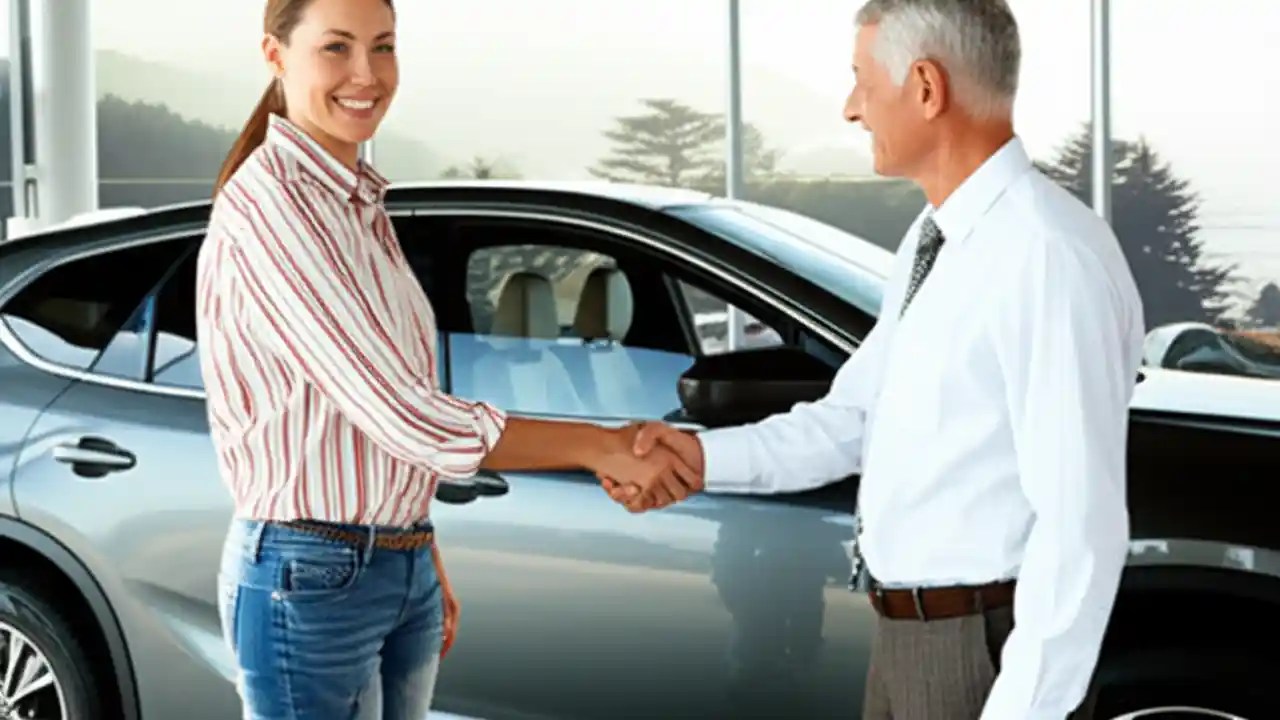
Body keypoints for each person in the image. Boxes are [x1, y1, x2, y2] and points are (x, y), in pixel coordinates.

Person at [605, 0, 1145, 718]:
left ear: (925, 87)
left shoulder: (1044, 254)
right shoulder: (936, 238)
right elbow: (854, 417)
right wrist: (699, 460)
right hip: (910, 641)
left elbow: (1081, 527)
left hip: (979, 654)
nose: (851, 108)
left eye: (861, 80)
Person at [196, 1, 695, 717]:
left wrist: (413, 549)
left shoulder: (355, 202)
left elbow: (387, 406)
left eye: (384, 46)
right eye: (335, 48)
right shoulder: (271, 207)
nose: (367, 74)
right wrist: (600, 446)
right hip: (310, 578)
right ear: (274, 55)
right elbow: (403, 415)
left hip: (391, 563)